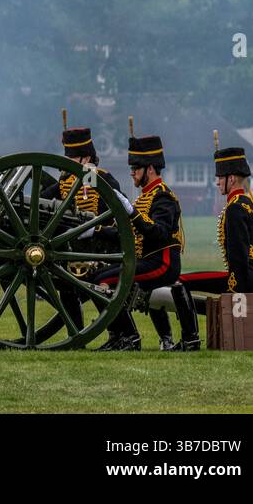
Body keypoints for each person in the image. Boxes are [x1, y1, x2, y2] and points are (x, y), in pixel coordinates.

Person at [90, 132, 184, 351]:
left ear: (149, 169)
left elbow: (158, 233)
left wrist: (132, 213)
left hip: (162, 263)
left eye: (136, 169)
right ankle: (118, 336)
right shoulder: (144, 197)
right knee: (98, 276)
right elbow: (128, 234)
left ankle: (128, 337)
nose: (132, 173)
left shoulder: (163, 197)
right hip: (147, 261)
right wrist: (95, 229)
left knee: (100, 281)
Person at [174, 144, 253, 346]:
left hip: (243, 279)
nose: (217, 182)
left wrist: (236, 296)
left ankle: (190, 339)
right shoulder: (250, 202)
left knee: (180, 281)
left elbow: (238, 256)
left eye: (220, 177)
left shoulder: (235, 208)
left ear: (231, 178)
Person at [40, 123, 124, 332]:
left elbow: (116, 219)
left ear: (85, 159)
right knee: (67, 287)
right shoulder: (66, 182)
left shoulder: (102, 179)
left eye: (70, 159)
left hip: (104, 250)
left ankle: (120, 333)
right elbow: (41, 201)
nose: (65, 164)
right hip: (77, 250)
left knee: (89, 284)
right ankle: (74, 332)